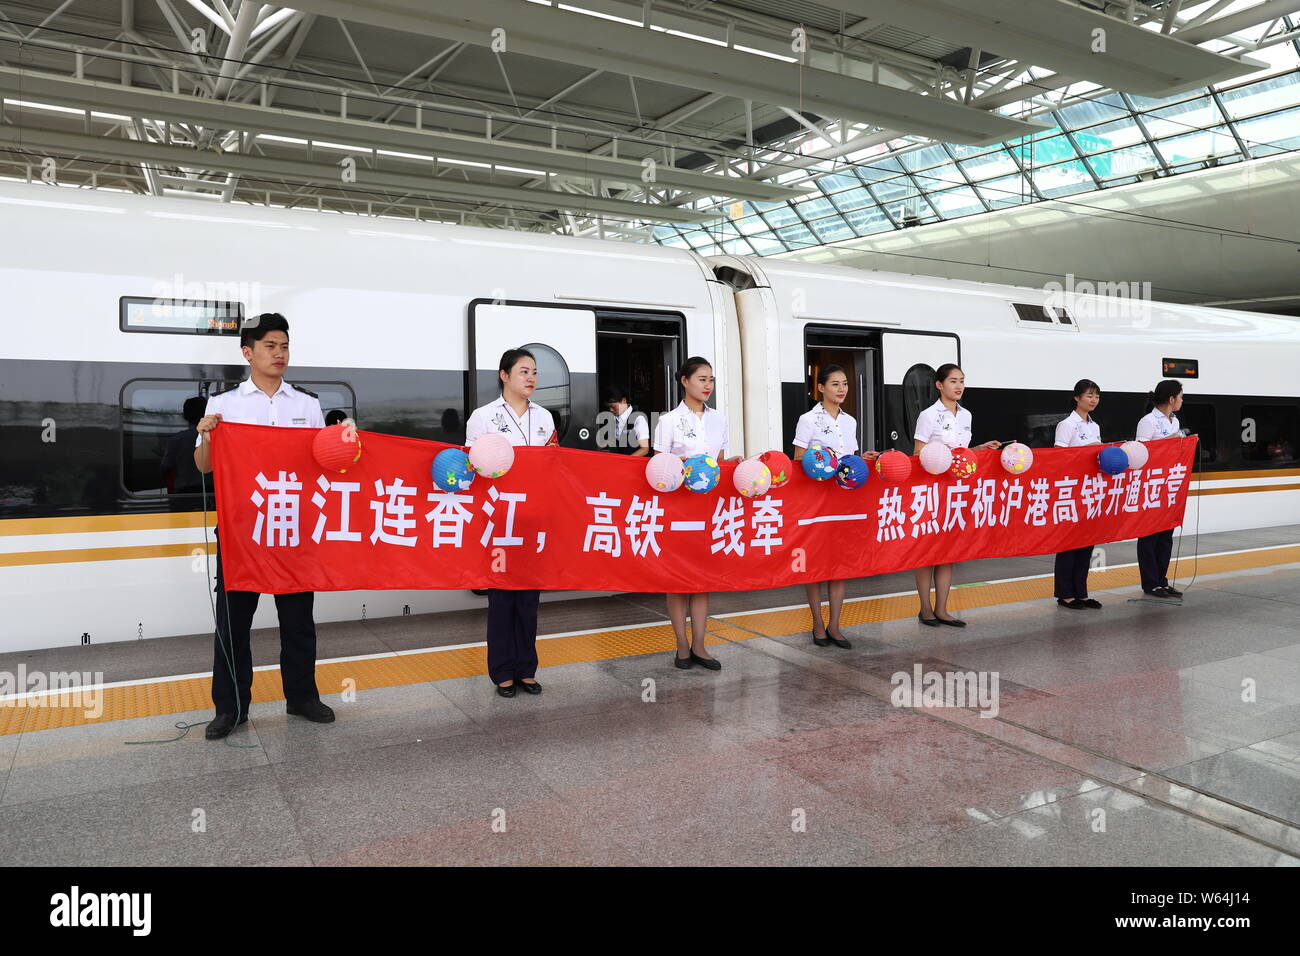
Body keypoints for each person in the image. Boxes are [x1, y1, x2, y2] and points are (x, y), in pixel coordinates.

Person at [193, 312, 334, 741]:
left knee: (298, 620)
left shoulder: (306, 405)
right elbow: (203, 467)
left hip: (292, 527)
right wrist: (207, 436)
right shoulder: (224, 405)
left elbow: (322, 464)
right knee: (234, 623)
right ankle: (230, 707)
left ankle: (302, 697)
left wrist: (341, 440)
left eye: (284, 346)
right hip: (242, 531)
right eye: (270, 346)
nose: (279, 354)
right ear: (247, 353)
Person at [465, 348, 558, 698]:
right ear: (504, 376)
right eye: (523, 371)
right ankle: (502, 672)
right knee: (502, 598)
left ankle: (526, 669)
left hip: (534, 519)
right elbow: (472, 465)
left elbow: (552, 465)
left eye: (534, 372)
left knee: (529, 600)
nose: (531, 377)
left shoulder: (545, 418)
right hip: (499, 518)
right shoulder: (484, 417)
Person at [653, 357, 737, 671]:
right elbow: (659, 469)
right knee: (677, 580)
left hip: (708, 509)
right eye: (702, 379)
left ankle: (701, 645)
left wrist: (732, 466)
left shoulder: (719, 420)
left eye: (711, 380)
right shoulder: (669, 420)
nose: (707, 386)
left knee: (702, 579)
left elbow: (721, 461)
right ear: (684, 381)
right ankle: (681, 645)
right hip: (678, 508)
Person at [793, 365, 879, 648]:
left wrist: (860, 459)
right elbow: (799, 458)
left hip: (844, 499)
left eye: (844, 384)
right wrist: (824, 460)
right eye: (834, 384)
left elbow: (848, 458)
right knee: (816, 563)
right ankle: (818, 623)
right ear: (821, 388)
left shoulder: (850, 421)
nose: (841, 389)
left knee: (840, 563)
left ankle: (836, 625)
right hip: (817, 499)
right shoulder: (808, 419)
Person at [912, 363, 1002, 628]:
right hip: (932, 490)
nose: (959, 386)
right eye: (953, 381)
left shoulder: (966, 415)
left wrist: (979, 448)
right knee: (927, 551)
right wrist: (940, 459)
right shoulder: (928, 416)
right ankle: (925, 609)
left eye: (962, 380)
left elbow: (961, 451)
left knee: (948, 551)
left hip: (957, 490)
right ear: (939, 385)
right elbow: (917, 454)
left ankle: (943, 609)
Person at [1053, 379, 1103, 611]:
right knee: (1069, 543)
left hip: (1090, 490)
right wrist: (1087, 452)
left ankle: (1081, 592)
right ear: (1077, 397)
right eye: (1089, 395)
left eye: (1096, 396)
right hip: (1071, 490)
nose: (1093, 400)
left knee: (1086, 543)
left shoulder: (1094, 426)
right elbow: (1059, 457)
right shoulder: (1066, 425)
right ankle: (1065, 594)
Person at [1134, 379, 1185, 600]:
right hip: (1150, 485)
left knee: (1166, 535)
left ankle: (1162, 580)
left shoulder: (1175, 421)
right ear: (1171, 399)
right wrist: (1168, 441)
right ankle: (1150, 583)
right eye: (1181, 396)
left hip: (1169, 485)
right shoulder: (1148, 421)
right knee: (1149, 536)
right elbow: (1140, 452)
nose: (1182, 400)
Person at [601, 383, 650, 456]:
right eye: (608, 407)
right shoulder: (611, 419)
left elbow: (644, 449)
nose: (610, 410)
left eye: (613, 407)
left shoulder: (638, 418)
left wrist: (626, 462)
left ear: (624, 401)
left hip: (633, 463)